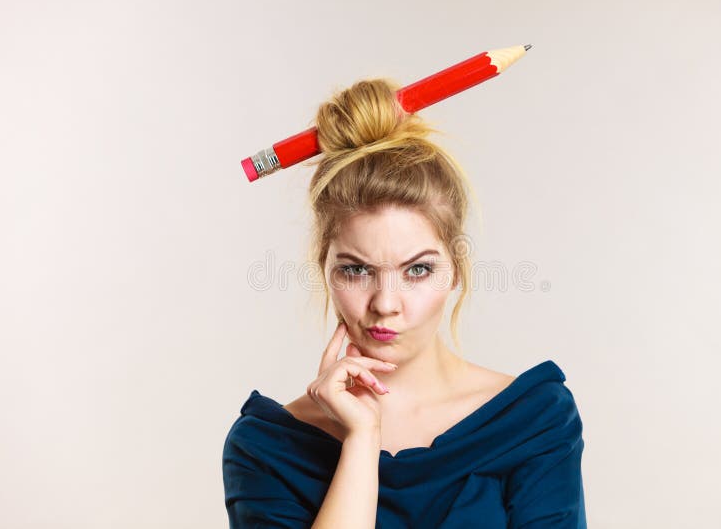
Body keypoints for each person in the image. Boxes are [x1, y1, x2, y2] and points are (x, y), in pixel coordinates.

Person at [222, 78, 586, 528]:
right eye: (356, 270)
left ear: (456, 270)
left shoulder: (534, 420)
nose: (385, 304)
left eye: (417, 270)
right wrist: (361, 440)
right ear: (326, 270)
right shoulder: (264, 448)